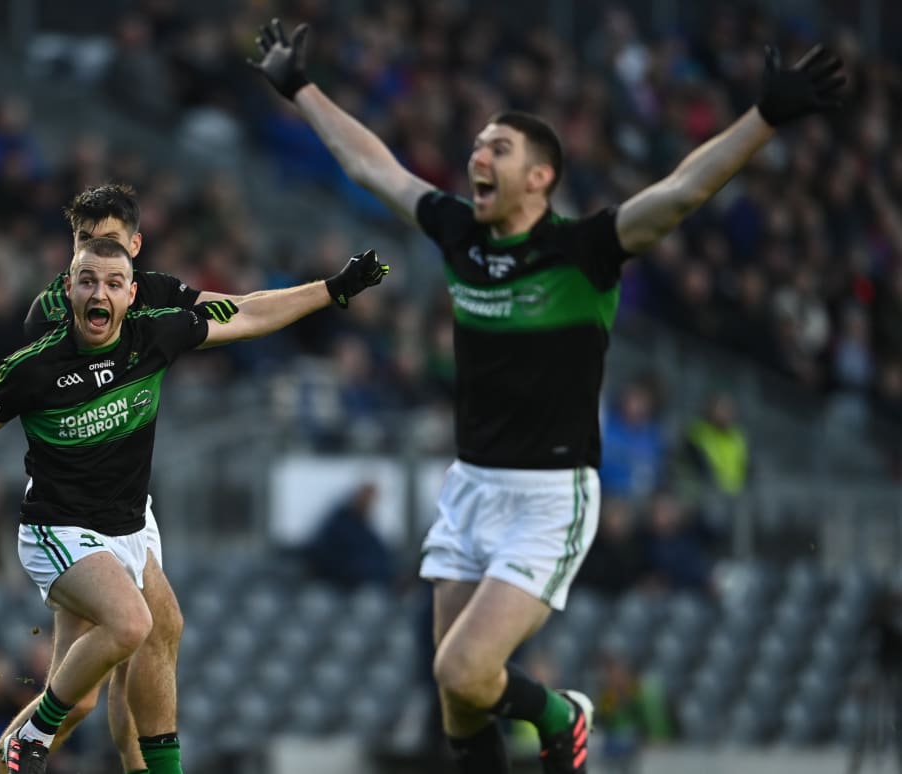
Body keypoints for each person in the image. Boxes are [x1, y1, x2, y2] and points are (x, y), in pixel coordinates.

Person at [250, 18, 844, 773]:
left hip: (547, 498)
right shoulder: (460, 235)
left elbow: (683, 190)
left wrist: (763, 118)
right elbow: (375, 168)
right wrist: (301, 88)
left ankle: (565, 715)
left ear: (541, 177)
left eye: (499, 147)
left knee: (461, 671)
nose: (478, 157)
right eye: (476, 147)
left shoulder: (584, 251)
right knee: (459, 701)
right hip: (470, 485)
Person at [0, 236, 388, 774]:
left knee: (106, 679)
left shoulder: (157, 334)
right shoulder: (34, 367)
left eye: (114, 283)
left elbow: (247, 315)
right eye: (88, 280)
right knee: (135, 624)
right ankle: (34, 735)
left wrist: (333, 290)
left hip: (128, 528)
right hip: (59, 531)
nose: (100, 292)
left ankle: (36, 760)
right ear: (70, 290)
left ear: (131, 295)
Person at [0, 182, 376, 774]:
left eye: (108, 244)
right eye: (82, 244)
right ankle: (6, 764)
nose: (95, 258)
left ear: (136, 247)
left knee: (154, 632)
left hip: (127, 509)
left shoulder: (160, 296)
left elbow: (245, 309)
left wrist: (331, 291)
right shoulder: (50, 315)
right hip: (75, 513)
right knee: (87, 689)